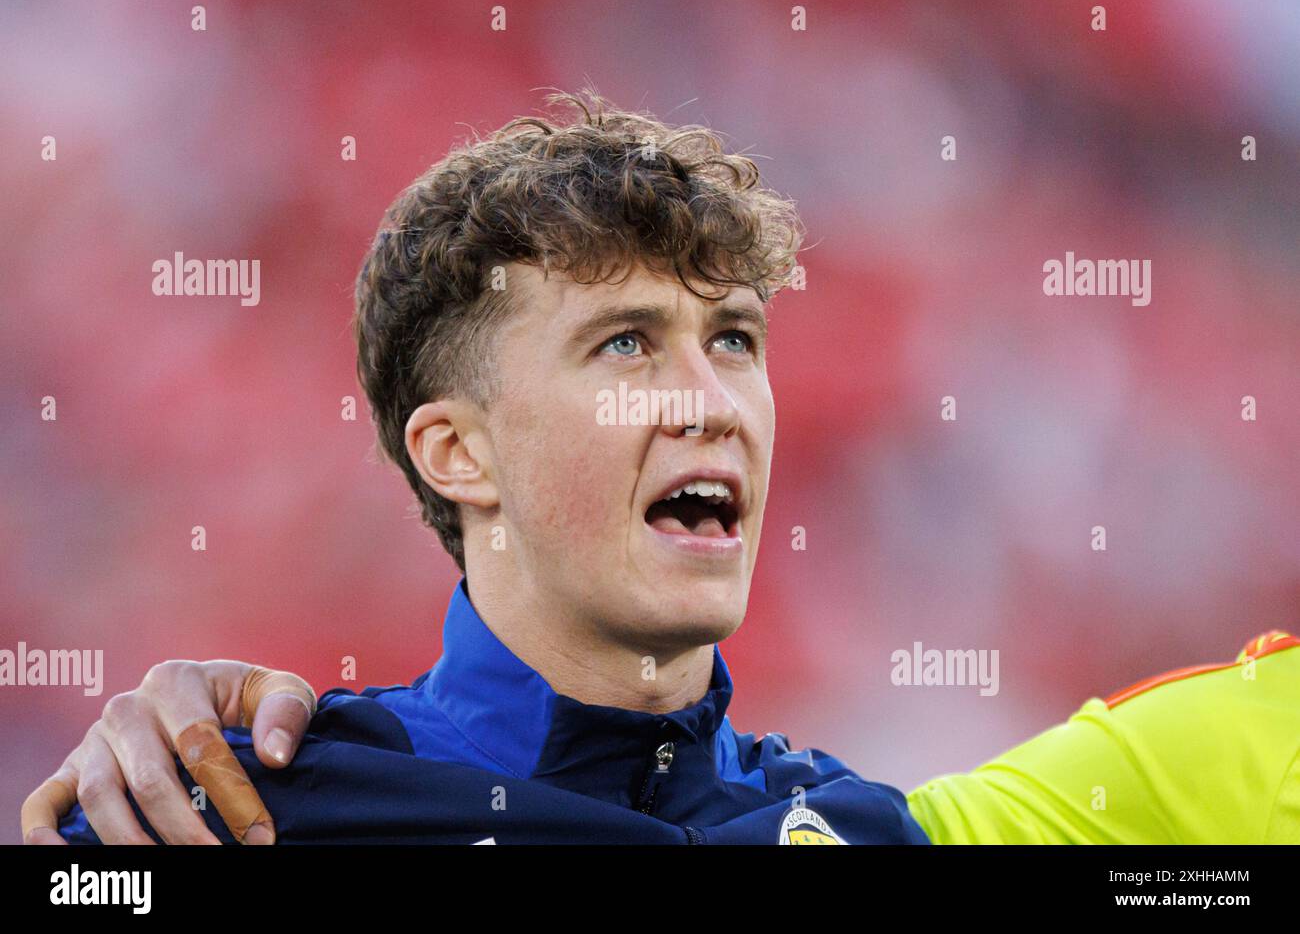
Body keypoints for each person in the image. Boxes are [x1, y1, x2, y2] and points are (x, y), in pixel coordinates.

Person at [22, 92, 1300, 845]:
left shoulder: (868, 827)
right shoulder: (223, 814)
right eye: (626, 342)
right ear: (457, 450)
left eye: (733, 338)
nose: (711, 399)